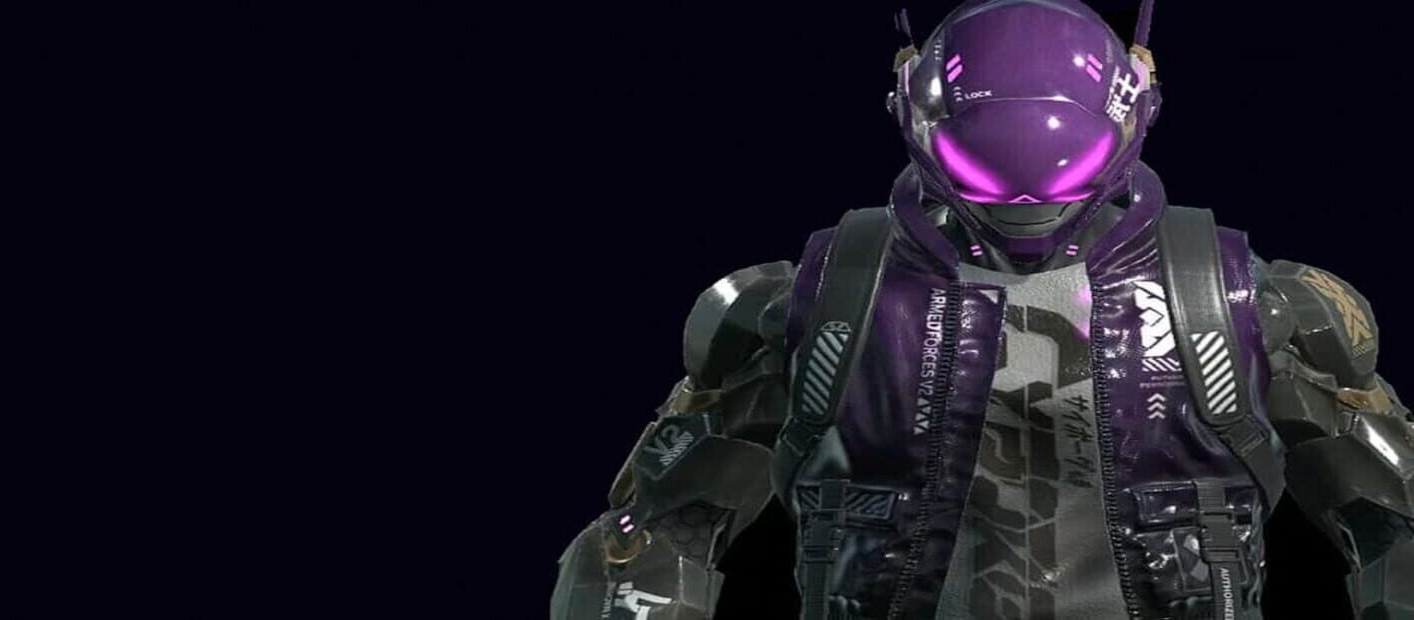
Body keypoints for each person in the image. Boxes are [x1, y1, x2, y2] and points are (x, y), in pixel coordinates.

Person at [549, 1, 1414, 618]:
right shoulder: (804, 302)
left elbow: (1396, 528)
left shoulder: (1253, 304)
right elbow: (647, 541)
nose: (1026, 215)